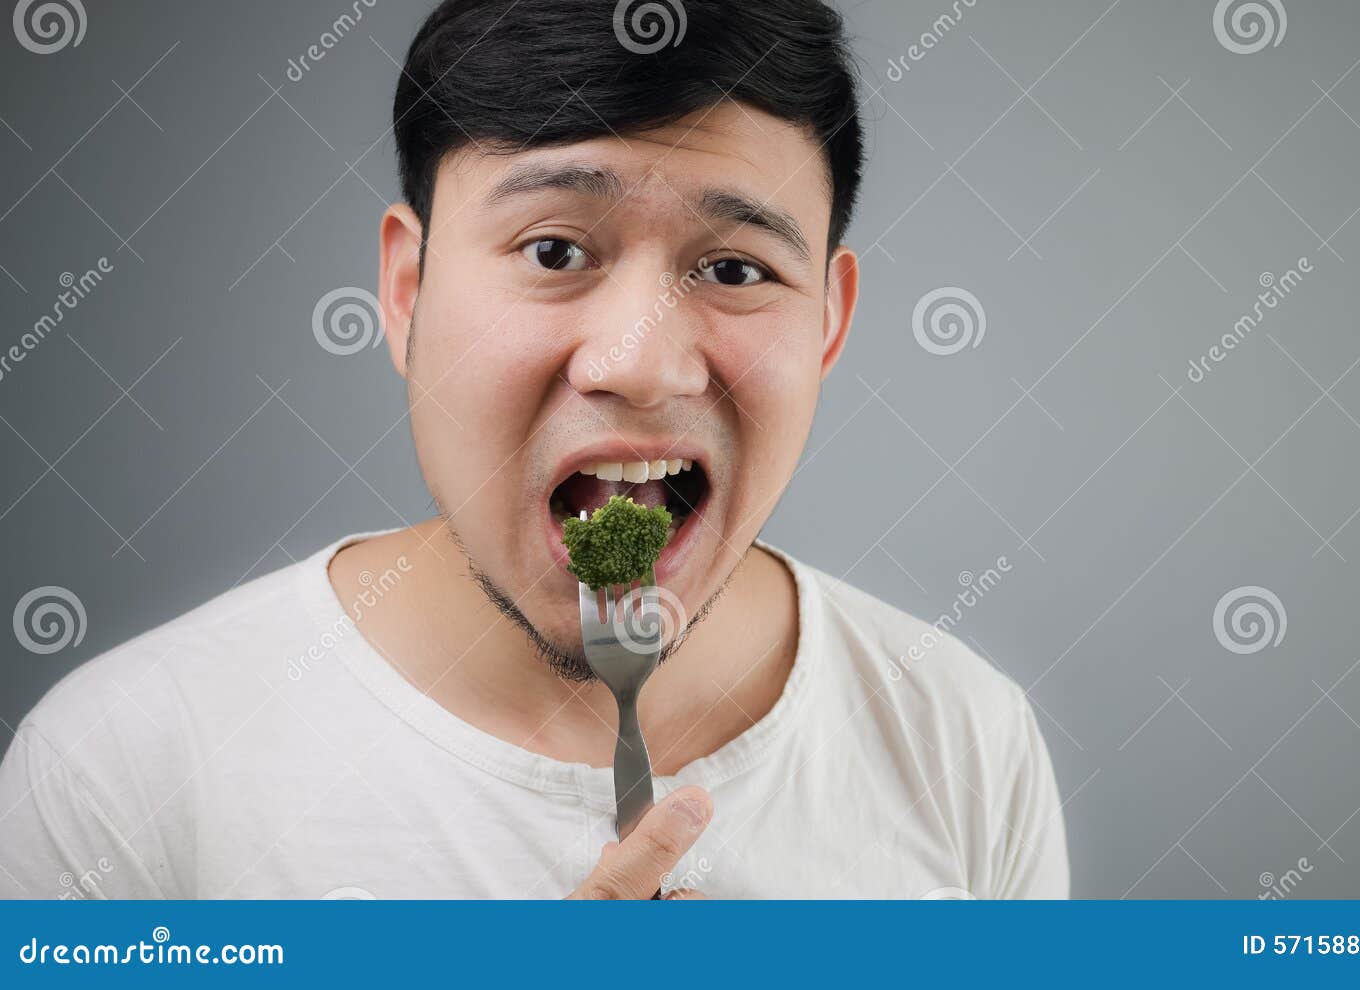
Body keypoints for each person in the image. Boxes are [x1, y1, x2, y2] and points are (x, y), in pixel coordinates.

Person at [0, 0, 1068, 899]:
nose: (639, 366)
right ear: (406, 292)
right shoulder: (127, 772)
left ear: (827, 327)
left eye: (736, 270)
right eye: (554, 250)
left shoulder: (965, 743)